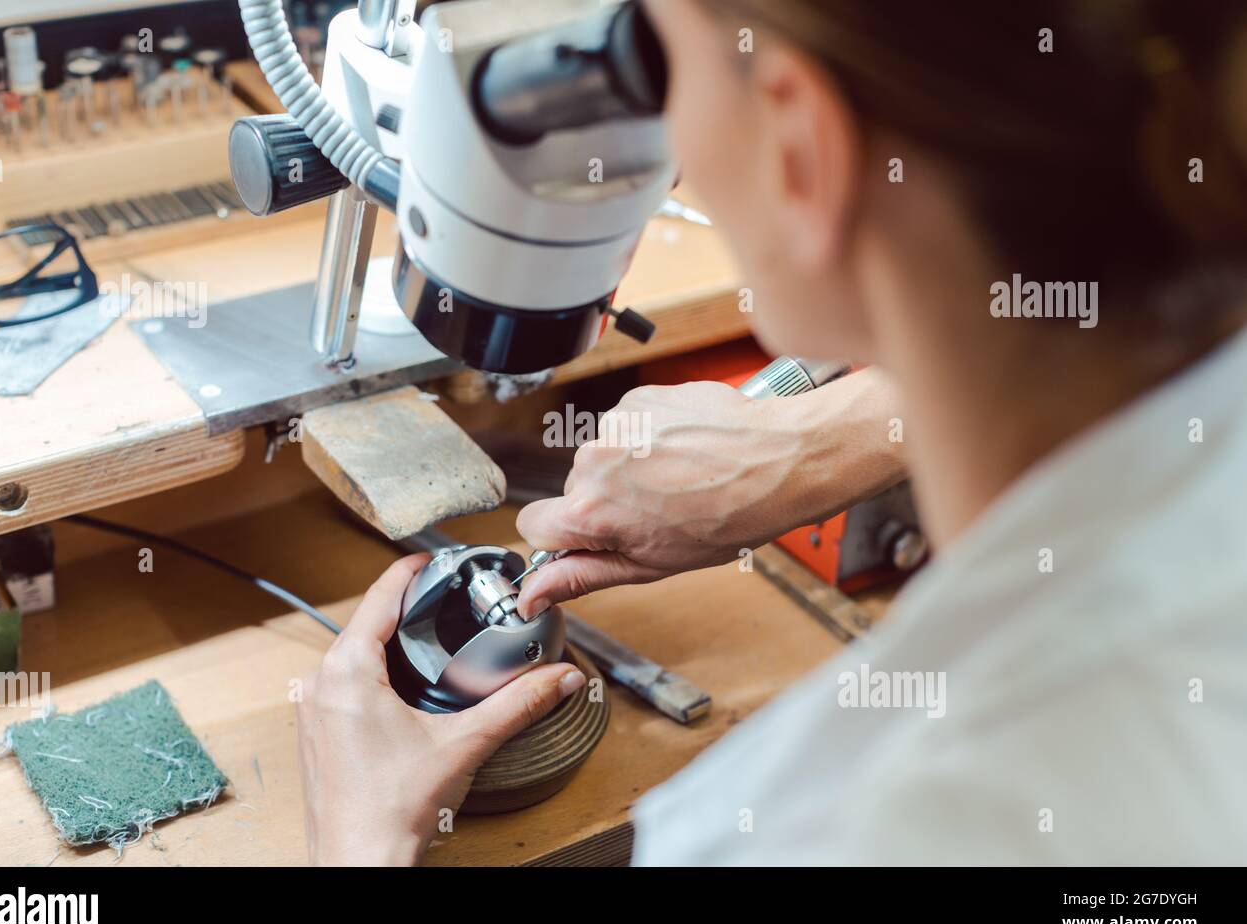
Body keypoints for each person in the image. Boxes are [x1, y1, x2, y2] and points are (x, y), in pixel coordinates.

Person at [296, 0, 1247, 865]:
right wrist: (806, 445)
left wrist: (357, 836)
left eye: (662, 66)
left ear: (802, 148)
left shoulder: (838, 826)